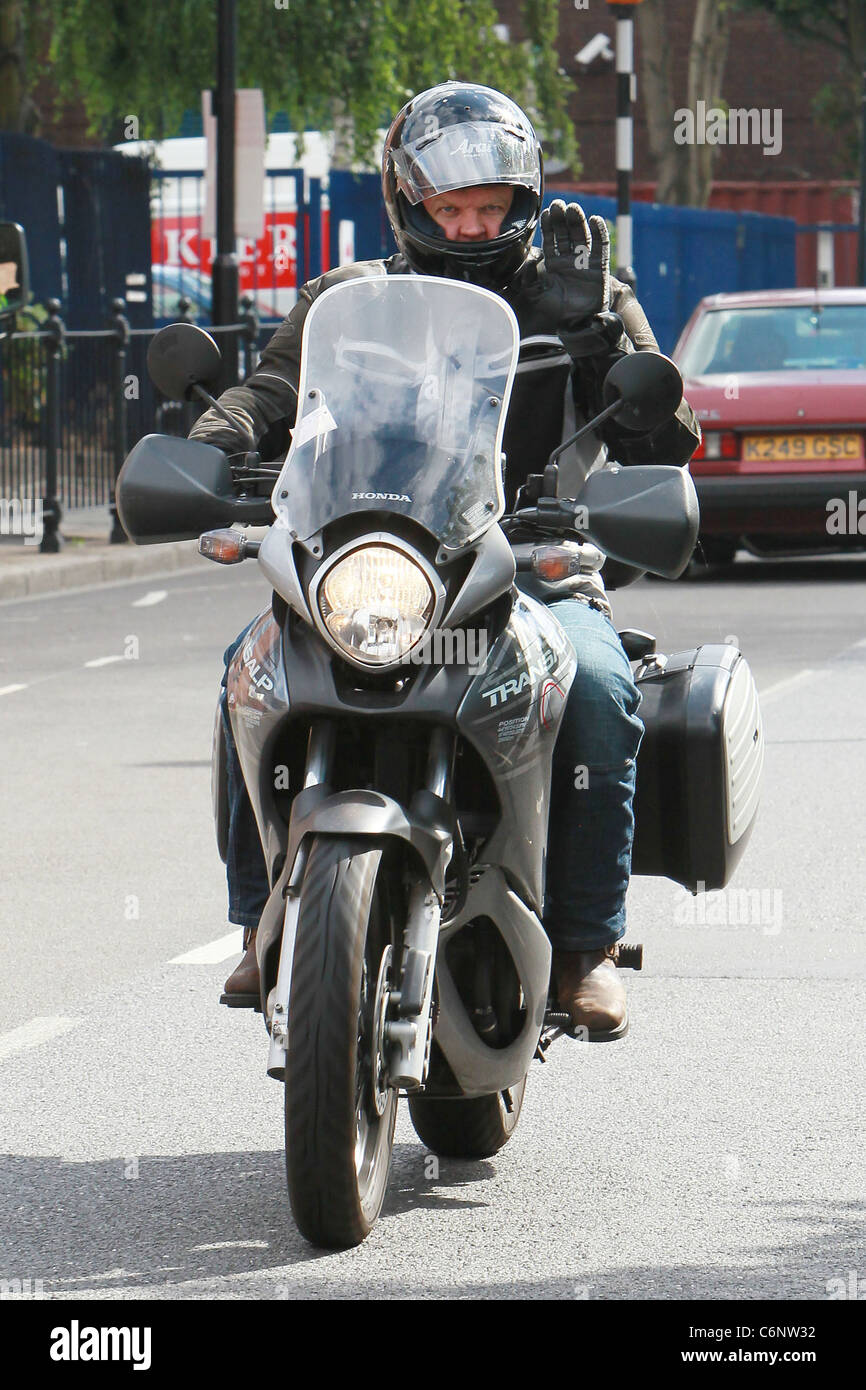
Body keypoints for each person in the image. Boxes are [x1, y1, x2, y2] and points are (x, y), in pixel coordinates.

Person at [189, 82, 700, 1039]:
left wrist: (598, 331)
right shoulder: (348, 300)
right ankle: (261, 921)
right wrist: (202, 449)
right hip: (374, 560)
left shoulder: (588, 291)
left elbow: (671, 444)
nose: (471, 228)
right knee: (246, 672)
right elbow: (270, 389)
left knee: (595, 682)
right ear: (409, 203)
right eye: (449, 209)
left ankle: (586, 943)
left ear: (524, 200)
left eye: (490, 208)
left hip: (532, 559)